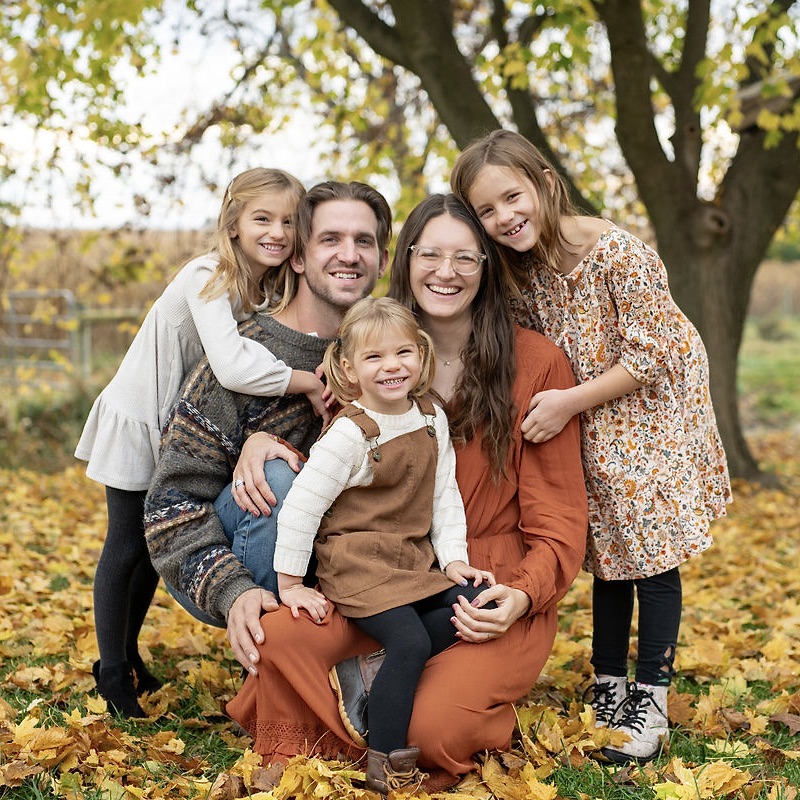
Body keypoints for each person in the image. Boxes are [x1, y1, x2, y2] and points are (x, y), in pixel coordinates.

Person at [224, 193, 588, 791]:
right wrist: (262, 439)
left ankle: (379, 702)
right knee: (282, 639)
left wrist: (522, 596)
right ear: (408, 260)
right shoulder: (372, 357)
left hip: (483, 581)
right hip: (383, 571)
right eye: (431, 255)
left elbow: (560, 521)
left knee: (434, 730)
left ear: (487, 266)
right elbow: (329, 461)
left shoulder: (537, 363)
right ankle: (367, 686)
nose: (447, 272)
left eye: (466, 258)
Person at [450, 128, 733, 763]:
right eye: (486, 212)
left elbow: (651, 355)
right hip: (585, 419)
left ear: (547, 185)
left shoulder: (617, 254)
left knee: (650, 554)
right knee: (605, 551)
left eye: (512, 198)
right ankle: (609, 685)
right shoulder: (522, 268)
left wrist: (568, 402)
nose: (503, 219)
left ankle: (651, 700)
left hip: (648, 413)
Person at [74, 167, 322, 717]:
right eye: (262, 219)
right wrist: (308, 380)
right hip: (142, 415)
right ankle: (111, 670)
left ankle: (128, 656)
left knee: (145, 545)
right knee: (128, 543)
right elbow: (233, 367)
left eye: (288, 221)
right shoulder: (208, 275)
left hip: (179, 423)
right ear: (233, 224)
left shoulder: (266, 289)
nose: (277, 231)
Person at [143, 180, 392, 670]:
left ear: (383, 262)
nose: (349, 254)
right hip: (220, 560)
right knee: (276, 477)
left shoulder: (390, 357)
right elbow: (169, 508)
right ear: (297, 257)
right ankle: (271, 667)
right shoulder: (241, 359)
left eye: (364, 241)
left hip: (342, 566)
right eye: (330, 240)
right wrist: (231, 590)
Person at [273, 295, 495, 794]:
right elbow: (302, 506)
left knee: (474, 604)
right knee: (411, 640)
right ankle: (386, 762)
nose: (391, 367)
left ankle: (373, 671)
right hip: (356, 564)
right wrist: (289, 582)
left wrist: (455, 559)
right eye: (374, 357)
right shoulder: (350, 434)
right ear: (349, 369)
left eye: (402, 353)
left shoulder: (430, 417)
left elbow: (443, 496)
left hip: (410, 561)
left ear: (420, 356)